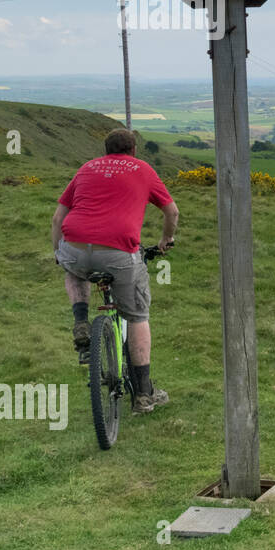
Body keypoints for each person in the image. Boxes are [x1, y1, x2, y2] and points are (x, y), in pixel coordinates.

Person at [51, 128, 179, 414]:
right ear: (133, 150)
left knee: (73, 271)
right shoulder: (143, 169)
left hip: (74, 246)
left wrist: (58, 253)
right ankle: (144, 394)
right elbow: (172, 212)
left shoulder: (87, 167)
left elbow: (58, 217)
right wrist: (164, 241)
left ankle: (81, 321)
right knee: (137, 316)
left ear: (106, 149)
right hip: (119, 252)